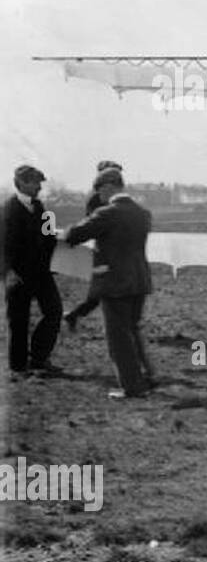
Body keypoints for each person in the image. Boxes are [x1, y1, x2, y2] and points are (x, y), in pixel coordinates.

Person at [62, 167, 156, 398]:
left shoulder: (107, 213)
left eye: (99, 190)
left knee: (118, 337)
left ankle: (132, 387)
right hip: (139, 279)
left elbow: (74, 235)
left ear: (108, 187)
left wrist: (63, 230)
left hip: (114, 282)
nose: (98, 196)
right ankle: (145, 375)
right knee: (132, 330)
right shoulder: (143, 213)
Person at [2, 165, 62, 379]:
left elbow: (50, 237)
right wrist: (7, 272)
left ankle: (38, 358)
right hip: (17, 275)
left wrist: (58, 253)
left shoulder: (40, 207)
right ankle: (18, 367)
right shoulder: (7, 209)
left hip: (42, 273)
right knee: (18, 320)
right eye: (36, 182)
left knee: (54, 311)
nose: (39, 187)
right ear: (22, 183)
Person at [63, 160, 122, 332]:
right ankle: (75, 316)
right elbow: (93, 223)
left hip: (114, 248)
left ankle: (73, 315)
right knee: (101, 292)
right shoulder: (96, 198)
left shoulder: (109, 197)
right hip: (105, 249)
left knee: (103, 292)